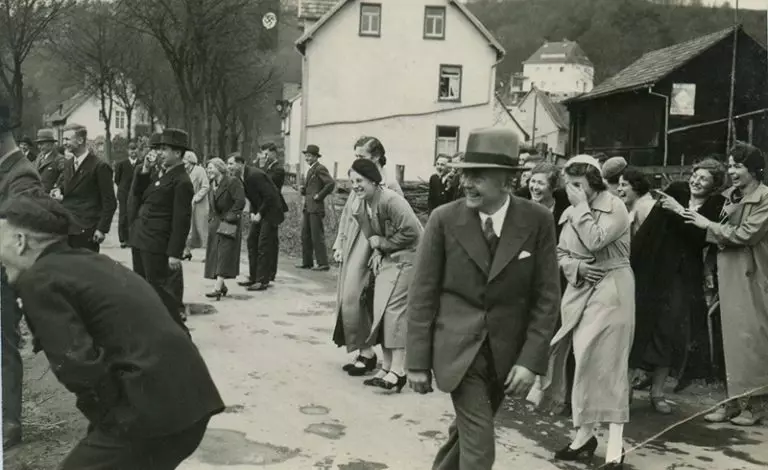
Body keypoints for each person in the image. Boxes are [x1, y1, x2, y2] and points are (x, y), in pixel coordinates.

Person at [0, 194, 225, 468]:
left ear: (20, 242)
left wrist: (111, 421)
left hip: (151, 416)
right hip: (191, 403)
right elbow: (170, 314)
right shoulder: (91, 262)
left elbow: (78, 366)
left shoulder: (39, 279)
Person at [407, 127, 561, 470]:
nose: (466, 183)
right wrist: (416, 361)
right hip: (458, 349)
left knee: (465, 438)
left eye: (478, 175)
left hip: (507, 354)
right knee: (480, 447)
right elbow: (421, 295)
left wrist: (531, 360)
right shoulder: (443, 219)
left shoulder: (538, 220)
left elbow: (547, 296)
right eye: (465, 174)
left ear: (507, 181)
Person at [532, 154, 634, 469]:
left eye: (578, 185)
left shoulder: (614, 207)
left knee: (610, 367)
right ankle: (584, 438)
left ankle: (616, 448)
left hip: (612, 291)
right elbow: (561, 252)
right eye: (569, 185)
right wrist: (575, 266)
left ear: (592, 182)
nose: (573, 190)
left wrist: (578, 207)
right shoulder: (572, 211)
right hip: (581, 293)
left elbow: (595, 240)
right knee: (584, 365)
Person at [628, 160, 727, 410]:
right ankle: (625, 387)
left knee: (670, 332)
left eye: (704, 178)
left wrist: (677, 211)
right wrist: (630, 264)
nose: (696, 181)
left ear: (714, 185)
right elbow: (648, 230)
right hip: (653, 271)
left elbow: (699, 238)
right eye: (695, 175)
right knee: (639, 326)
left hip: (683, 277)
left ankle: (658, 393)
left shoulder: (715, 206)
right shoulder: (676, 191)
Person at [683, 142, 768, 426]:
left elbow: (746, 234)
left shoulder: (765, 198)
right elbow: (718, 238)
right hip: (724, 274)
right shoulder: (730, 195)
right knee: (726, 340)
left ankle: (756, 404)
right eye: (730, 165)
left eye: (738, 166)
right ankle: (731, 402)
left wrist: (706, 225)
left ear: (754, 169)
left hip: (752, 276)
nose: (731, 171)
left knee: (750, 340)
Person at [344, 158, 422, 392]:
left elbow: (412, 232)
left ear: (373, 180)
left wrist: (384, 244)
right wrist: (378, 250)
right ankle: (387, 367)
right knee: (381, 310)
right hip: (389, 258)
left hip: (409, 257)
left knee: (393, 311)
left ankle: (399, 371)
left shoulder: (391, 200)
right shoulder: (362, 204)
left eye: (360, 180)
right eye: (352, 181)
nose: (355, 186)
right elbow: (372, 235)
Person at [332, 136, 403, 375]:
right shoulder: (360, 178)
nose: (358, 160)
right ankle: (364, 351)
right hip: (352, 242)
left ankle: (373, 355)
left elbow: (394, 222)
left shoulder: (389, 184)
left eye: (362, 156)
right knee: (349, 298)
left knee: (361, 297)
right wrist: (340, 240)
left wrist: (379, 250)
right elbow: (346, 213)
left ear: (376, 156)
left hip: (369, 247)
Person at [0, 102, 44, 450]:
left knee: (4, 348)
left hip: (4, 278)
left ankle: (9, 422)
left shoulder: (22, 175)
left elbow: (21, 237)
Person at [129, 129, 194, 328]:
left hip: (157, 243)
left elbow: (181, 220)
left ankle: (179, 333)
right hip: (142, 239)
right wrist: (146, 169)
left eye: (165, 149)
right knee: (142, 289)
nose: (160, 153)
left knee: (160, 291)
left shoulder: (182, 181)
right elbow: (138, 195)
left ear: (178, 153)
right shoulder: (160, 174)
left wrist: (175, 252)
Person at [54, 124, 117, 252]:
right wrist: (59, 190)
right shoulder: (68, 164)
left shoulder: (99, 166)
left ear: (80, 140)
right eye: (63, 139)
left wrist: (102, 229)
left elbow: (109, 202)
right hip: (66, 228)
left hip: (86, 231)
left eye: (67, 139)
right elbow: (66, 186)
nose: (64, 143)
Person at [228, 153, 285, 291]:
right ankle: (254, 277)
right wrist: (253, 212)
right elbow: (254, 197)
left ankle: (262, 281)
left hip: (271, 211)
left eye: (231, 164)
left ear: (240, 164)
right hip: (261, 210)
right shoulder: (241, 177)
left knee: (263, 244)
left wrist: (260, 213)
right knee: (251, 241)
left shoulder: (255, 175)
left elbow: (270, 196)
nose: (228, 167)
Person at [204, 157, 245, 300]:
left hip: (229, 222)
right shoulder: (212, 183)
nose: (208, 170)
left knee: (224, 253)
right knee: (216, 254)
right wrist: (211, 219)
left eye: (210, 167)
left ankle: (217, 288)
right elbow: (212, 205)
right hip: (216, 222)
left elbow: (240, 201)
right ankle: (221, 285)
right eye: (207, 168)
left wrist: (230, 217)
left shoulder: (232, 182)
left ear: (219, 168)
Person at [298, 144, 335, 271]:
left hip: (316, 208)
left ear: (315, 157)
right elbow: (311, 188)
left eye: (309, 156)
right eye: (306, 156)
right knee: (305, 235)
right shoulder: (311, 170)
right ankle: (307, 262)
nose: (307, 158)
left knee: (317, 236)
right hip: (308, 207)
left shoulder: (320, 168)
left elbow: (330, 183)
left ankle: (323, 263)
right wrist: (303, 190)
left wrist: (319, 196)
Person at [182, 150, 210, 260]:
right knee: (187, 228)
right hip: (187, 204)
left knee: (202, 229)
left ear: (191, 162)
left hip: (200, 205)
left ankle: (209, 254)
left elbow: (206, 186)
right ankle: (186, 251)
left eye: (185, 163)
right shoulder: (184, 172)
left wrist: (196, 197)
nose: (184, 165)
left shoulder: (199, 170)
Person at [114, 140, 141, 248]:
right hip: (124, 193)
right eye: (131, 149)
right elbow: (117, 179)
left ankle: (133, 239)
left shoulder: (141, 163)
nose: (133, 152)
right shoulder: (121, 164)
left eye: (135, 149)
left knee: (135, 216)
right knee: (123, 215)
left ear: (138, 150)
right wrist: (124, 188)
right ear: (128, 151)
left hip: (137, 194)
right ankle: (123, 239)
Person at [34, 128, 65, 193]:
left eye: (42, 144)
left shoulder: (59, 159)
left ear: (51, 144)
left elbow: (65, 177)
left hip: (49, 198)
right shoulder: (39, 157)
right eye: (38, 144)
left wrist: (57, 188)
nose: (39, 147)